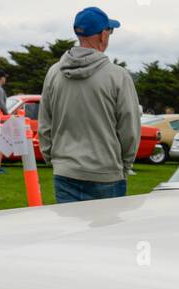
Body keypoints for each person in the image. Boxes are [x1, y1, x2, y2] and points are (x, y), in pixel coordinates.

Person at [38, 7, 140, 202]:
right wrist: (125, 166)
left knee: (71, 233)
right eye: (110, 31)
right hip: (106, 173)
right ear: (103, 35)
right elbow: (129, 129)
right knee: (106, 232)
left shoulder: (54, 72)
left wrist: (52, 159)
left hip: (65, 171)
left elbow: (45, 122)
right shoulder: (117, 76)